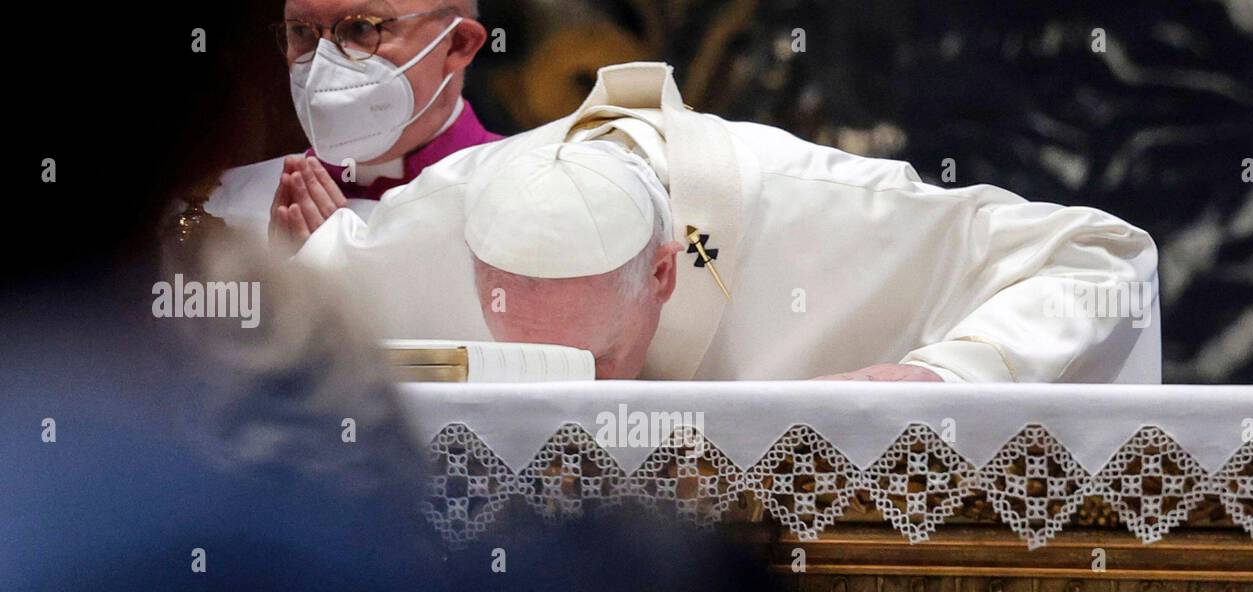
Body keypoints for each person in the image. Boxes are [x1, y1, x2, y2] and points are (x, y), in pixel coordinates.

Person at [288, 61, 1161, 382]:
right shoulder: (436, 223)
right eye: (534, 359)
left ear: (664, 270)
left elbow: (1102, 259)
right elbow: (301, 303)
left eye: (593, 362)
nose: (575, 402)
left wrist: (947, 378)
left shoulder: (822, 204)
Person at [205, 1, 500, 248]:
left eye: (361, 28)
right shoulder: (225, 206)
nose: (322, 64)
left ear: (458, 44)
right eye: (300, 32)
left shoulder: (521, 193)